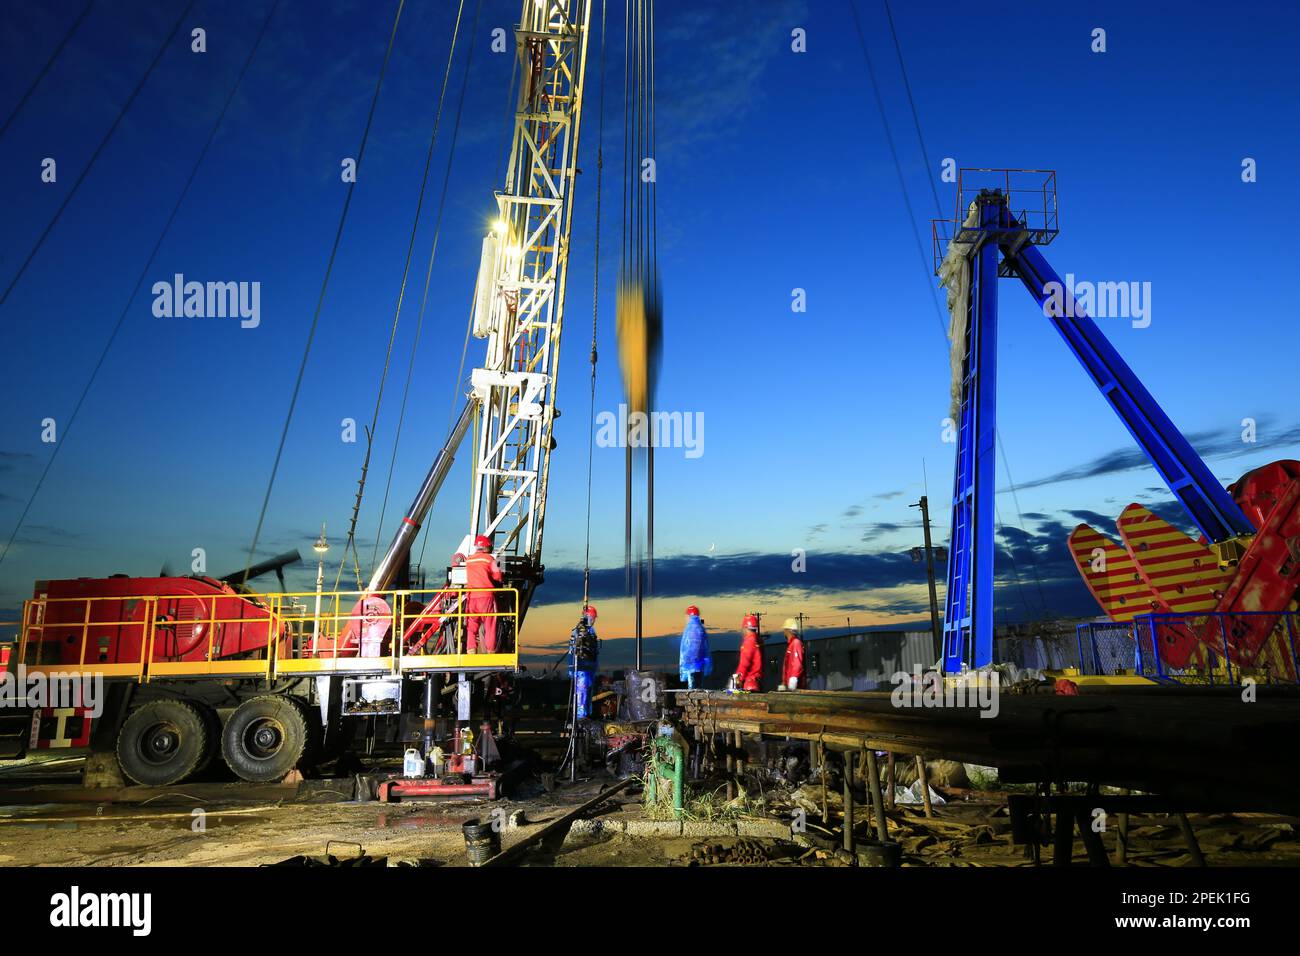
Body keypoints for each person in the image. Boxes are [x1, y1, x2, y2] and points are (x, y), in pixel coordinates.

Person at [464, 535, 504, 653]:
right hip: (486, 597)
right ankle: (490, 650)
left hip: (471, 597)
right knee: (490, 624)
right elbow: (498, 576)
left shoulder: (469, 560)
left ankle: (470, 649)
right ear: (487, 546)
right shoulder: (489, 559)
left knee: (471, 625)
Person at [570, 605, 599, 719]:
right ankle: (581, 718)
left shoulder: (590, 630)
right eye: (593, 617)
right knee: (581, 695)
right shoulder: (581, 630)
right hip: (582, 669)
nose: (594, 620)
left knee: (586, 695)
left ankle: (585, 716)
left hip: (587, 669)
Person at [678, 604, 712, 689]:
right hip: (698, 666)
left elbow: (692, 648)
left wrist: (687, 662)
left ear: (689, 615)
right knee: (698, 689)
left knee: (693, 692)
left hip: (693, 667)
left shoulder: (692, 628)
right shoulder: (699, 627)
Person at [733, 613, 762, 692]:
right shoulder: (758, 640)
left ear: (746, 627)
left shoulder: (749, 641)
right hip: (757, 682)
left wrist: (739, 677)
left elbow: (745, 663)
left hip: (750, 684)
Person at [781, 618, 805, 690]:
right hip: (790, 686)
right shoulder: (791, 645)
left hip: (796, 686)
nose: (783, 632)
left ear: (788, 630)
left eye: (784, 629)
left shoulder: (795, 643)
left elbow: (797, 663)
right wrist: (784, 683)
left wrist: (793, 679)